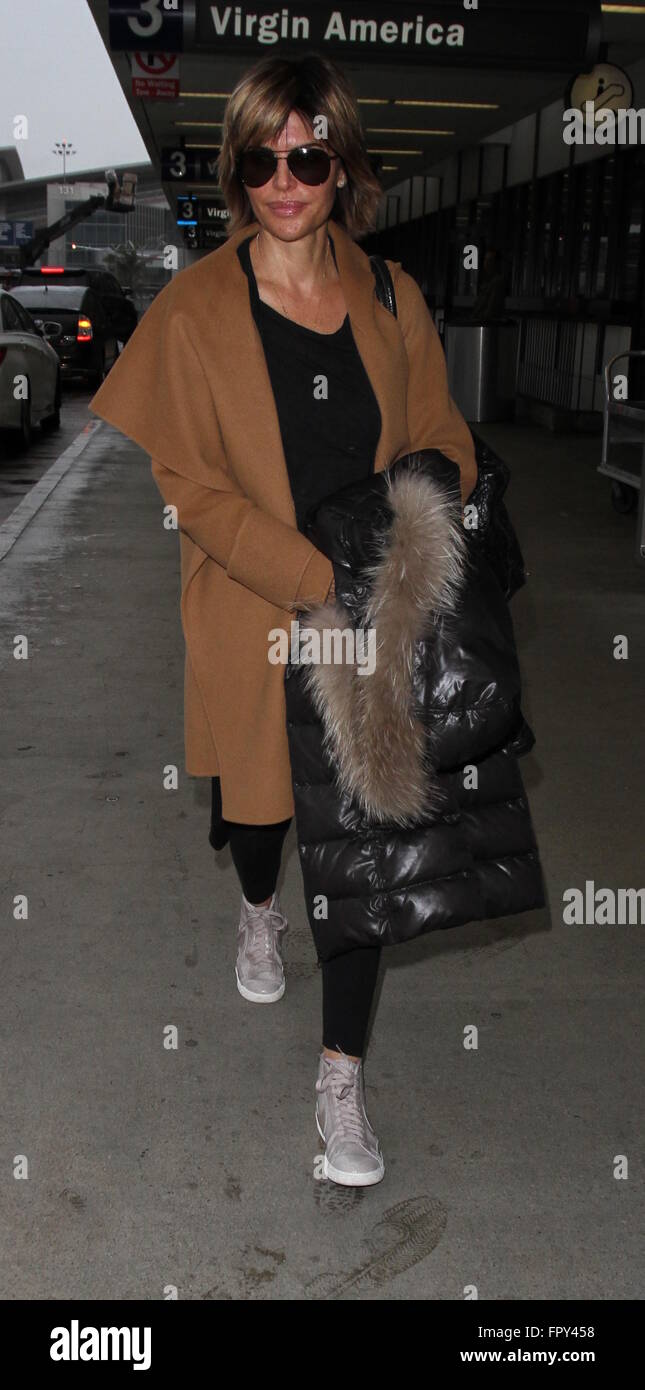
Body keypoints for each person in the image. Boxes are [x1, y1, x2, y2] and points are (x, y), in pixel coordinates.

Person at [90, 52, 478, 1187]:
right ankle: (257, 903)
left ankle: (341, 1082)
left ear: (342, 163)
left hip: (369, 617)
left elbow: (445, 437)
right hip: (257, 602)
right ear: (237, 168)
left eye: (308, 154)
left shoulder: (391, 294)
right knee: (260, 817)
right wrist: (307, 574)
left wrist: (413, 533)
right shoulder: (197, 308)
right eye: (261, 157)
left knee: (358, 854)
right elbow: (190, 487)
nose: (285, 179)